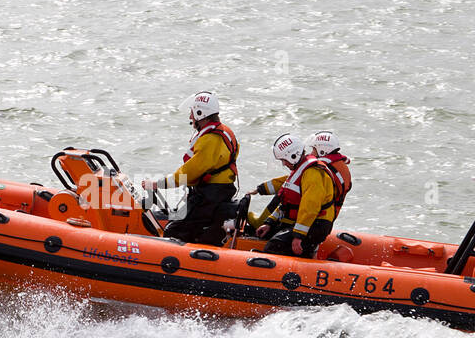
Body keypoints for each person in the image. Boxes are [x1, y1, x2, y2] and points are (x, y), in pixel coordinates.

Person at [141, 91, 239, 246]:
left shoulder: (209, 140)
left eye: (192, 113)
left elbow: (188, 172)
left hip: (210, 196)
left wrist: (158, 184)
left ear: (201, 113)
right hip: (216, 192)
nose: (190, 117)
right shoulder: (224, 131)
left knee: (174, 231)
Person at [246, 131, 348, 258]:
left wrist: (298, 236)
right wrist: (269, 223)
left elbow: (310, 207)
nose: (283, 164)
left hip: (317, 224)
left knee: (276, 245)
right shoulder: (301, 170)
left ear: (293, 156)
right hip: (308, 222)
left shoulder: (313, 173)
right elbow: (286, 203)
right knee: (271, 236)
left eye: (284, 160)